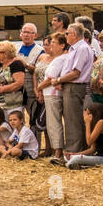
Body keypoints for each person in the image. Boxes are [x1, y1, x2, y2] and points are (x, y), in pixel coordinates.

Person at [56, 22, 94, 159]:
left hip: (75, 86)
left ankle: (74, 151)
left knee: (74, 120)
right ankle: (75, 150)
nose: (65, 36)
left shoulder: (81, 48)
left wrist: (59, 80)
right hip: (72, 86)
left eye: (67, 33)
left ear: (74, 35)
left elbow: (76, 72)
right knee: (72, 118)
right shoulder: (76, 48)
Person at [36, 32, 71, 163]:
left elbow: (49, 79)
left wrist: (38, 88)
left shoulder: (60, 59)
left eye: (54, 43)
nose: (51, 45)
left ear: (62, 45)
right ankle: (60, 151)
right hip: (54, 93)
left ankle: (58, 152)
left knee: (54, 123)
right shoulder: (64, 58)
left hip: (52, 94)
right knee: (56, 122)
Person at [65, 104, 103, 169]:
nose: (85, 116)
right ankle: (81, 165)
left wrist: (87, 123)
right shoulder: (95, 123)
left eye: (87, 114)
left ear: (93, 114)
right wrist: (76, 153)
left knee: (77, 158)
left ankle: (68, 165)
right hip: (99, 157)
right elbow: (92, 149)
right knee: (71, 156)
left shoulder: (102, 122)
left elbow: (89, 142)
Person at [0, 41, 26, 120]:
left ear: (6, 53)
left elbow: (19, 83)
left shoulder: (16, 64)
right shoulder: (0, 65)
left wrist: (3, 89)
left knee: (15, 127)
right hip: (2, 103)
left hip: (14, 103)